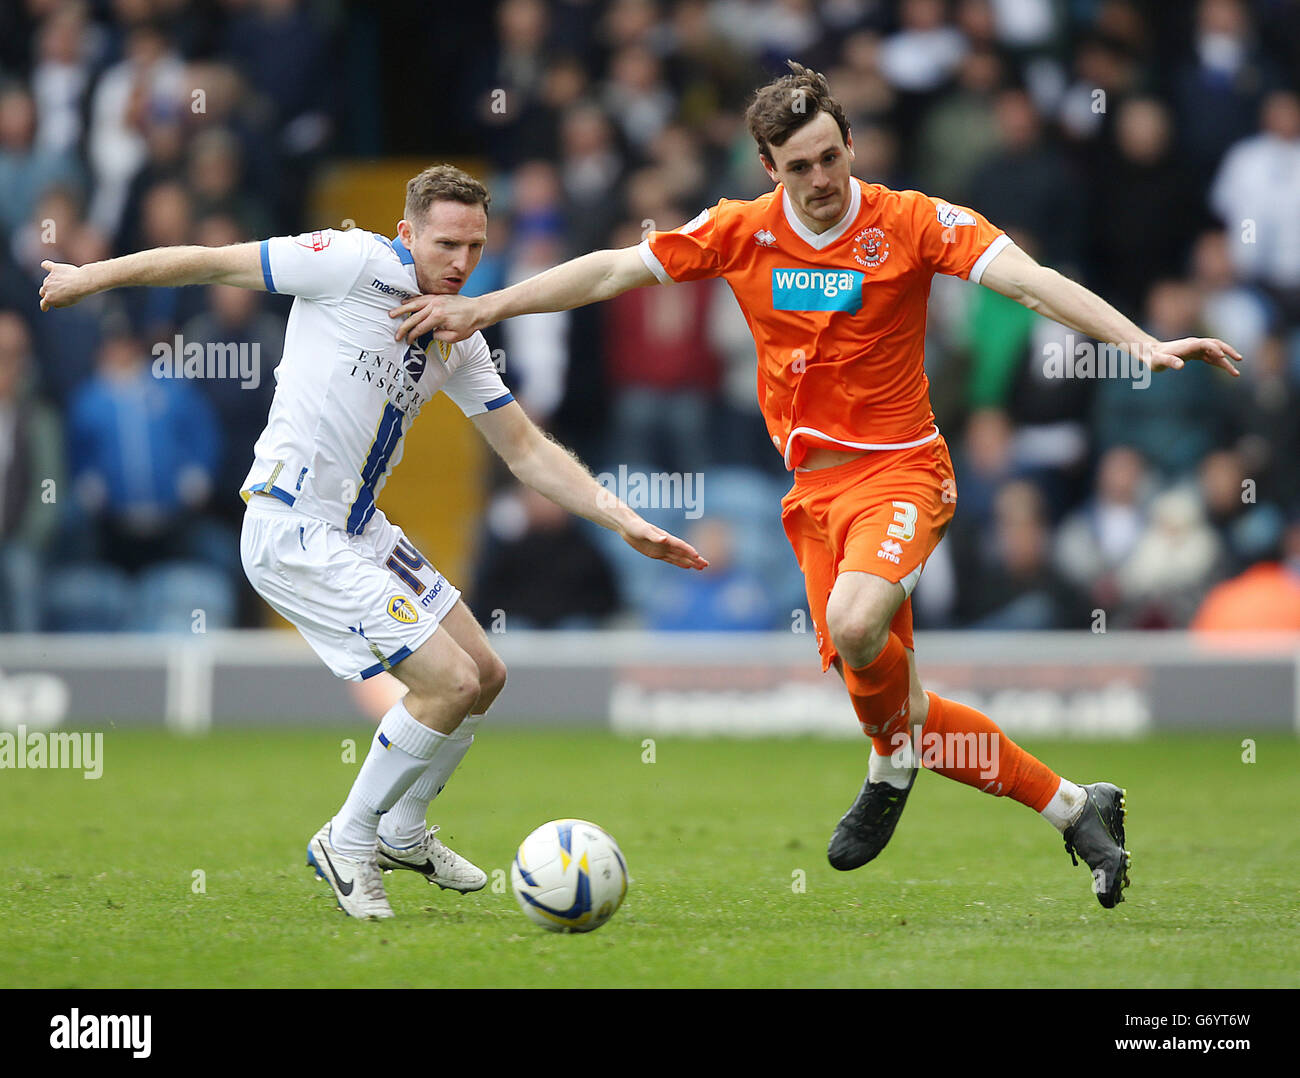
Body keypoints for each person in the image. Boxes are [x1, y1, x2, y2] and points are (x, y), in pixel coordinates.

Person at [390, 64, 1244, 910]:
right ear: (769, 168)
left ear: (849, 144)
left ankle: (886, 765)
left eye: (831, 156)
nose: (822, 179)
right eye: (799, 166)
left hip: (905, 469)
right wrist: (484, 307)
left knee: (853, 622)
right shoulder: (741, 230)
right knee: (903, 701)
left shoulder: (909, 222)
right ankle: (1072, 806)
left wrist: (1138, 341)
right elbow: (613, 271)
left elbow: (1028, 279)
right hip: (812, 497)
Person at [39, 164, 706, 920]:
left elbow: (525, 452)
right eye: (446, 243)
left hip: (359, 529)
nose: (460, 262)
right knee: (447, 680)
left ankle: (405, 829)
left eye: (475, 246)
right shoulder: (347, 261)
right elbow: (209, 260)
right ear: (406, 233)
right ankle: (348, 839)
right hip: (291, 526)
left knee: (485, 672)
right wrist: (91, 276)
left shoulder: (459, 329)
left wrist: (627, 521)